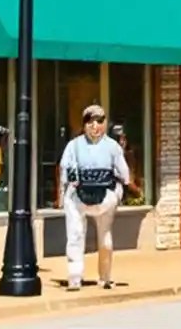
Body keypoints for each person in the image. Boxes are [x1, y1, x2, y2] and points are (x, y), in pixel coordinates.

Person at [59, 104, 129, 291]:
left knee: (103, 237)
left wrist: (117, 191)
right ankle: (76, 277)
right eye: (90, 121)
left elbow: (125, 174)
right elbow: (64, 173)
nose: (95, 126)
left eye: (99, 121)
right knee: (76, 235)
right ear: (84, 124)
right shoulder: (74, 146)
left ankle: (104, 277)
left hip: (104, 197)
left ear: (105, 123)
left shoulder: (112, 147)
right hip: (81, 197)